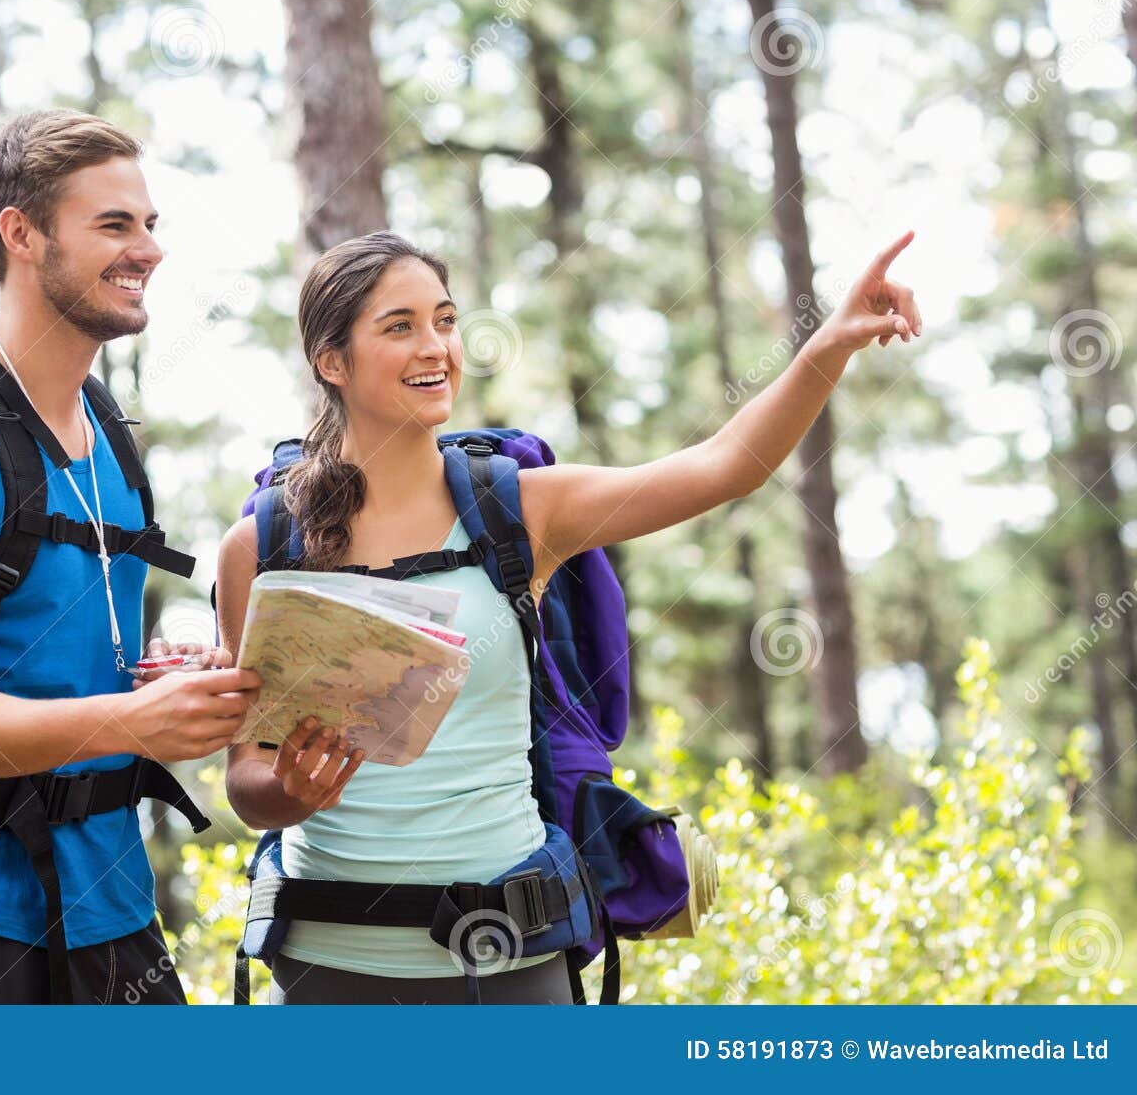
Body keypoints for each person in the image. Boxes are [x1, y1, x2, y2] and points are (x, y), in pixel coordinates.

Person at [217, 229, 923, 1003]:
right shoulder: (263, 545)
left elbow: (726, 466)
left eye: (445, 320)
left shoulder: (520, 508)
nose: (436, 347)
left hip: (510, 963)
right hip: (327, 969)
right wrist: (294, 790)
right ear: (331, 361)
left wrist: (831, 343)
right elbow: (246, 781)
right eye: (399, 326)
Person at [0, 109, 258, 1004]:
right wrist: (135, 725)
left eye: (150, 224)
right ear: (20, 234)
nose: (147, 249)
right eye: (114, 224)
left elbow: (63, 666)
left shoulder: (105, 427)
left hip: (110, 907)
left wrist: (161, 684)